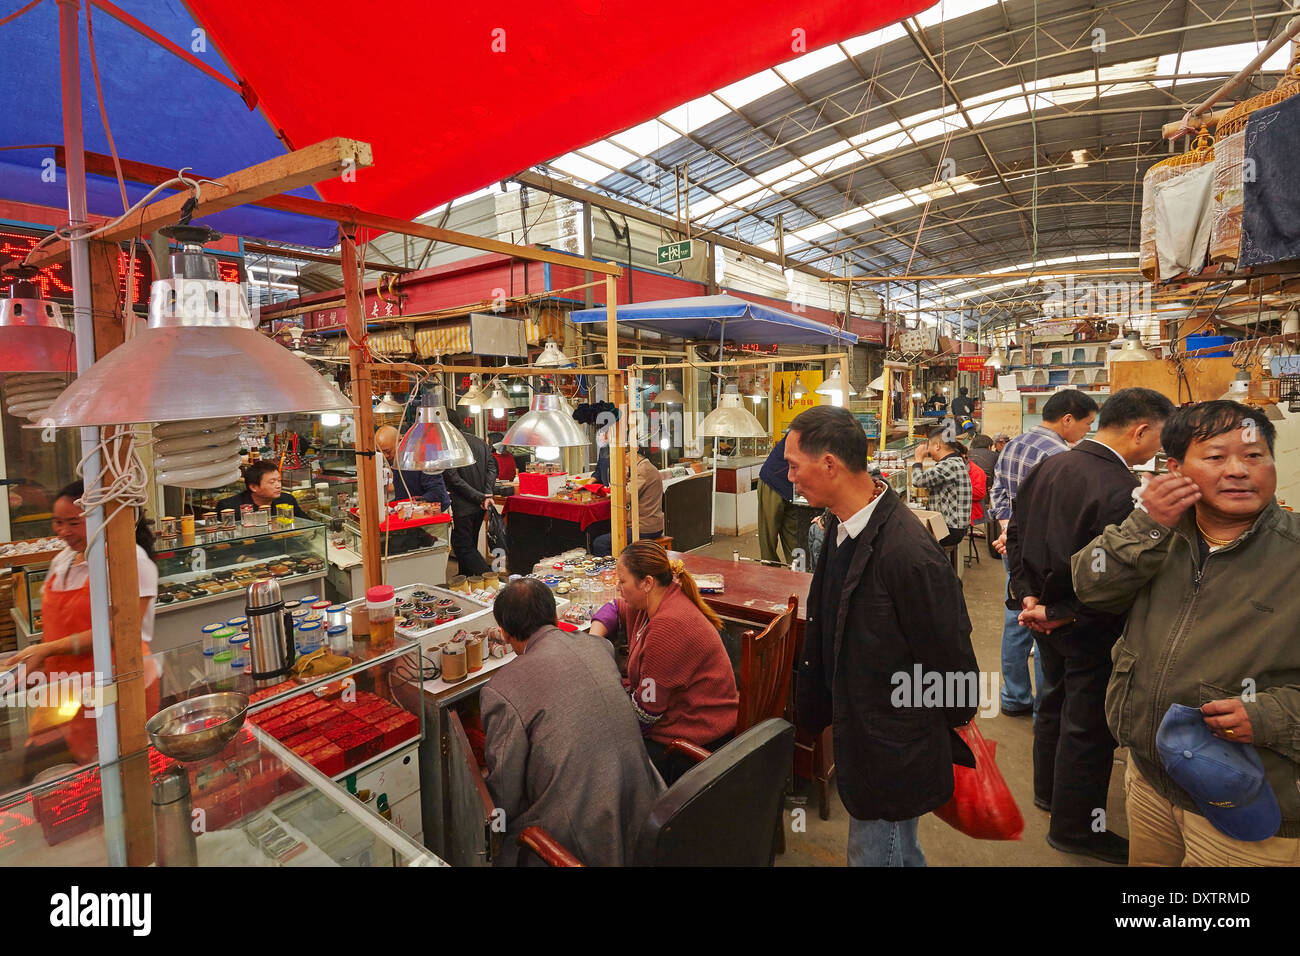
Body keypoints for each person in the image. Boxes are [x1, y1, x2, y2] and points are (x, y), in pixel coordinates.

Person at [1073, 401, 1300, 865]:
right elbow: (1090, 585)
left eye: (1254, 456)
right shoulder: (1161, 538)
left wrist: (1271, 717)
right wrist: (1146, 526)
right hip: (1151, 777)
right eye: (1216, 457)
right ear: (1173, 468)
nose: (1238, 471)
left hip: (1249, 795)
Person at [788, 406, 978, 867]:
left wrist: (939, 725)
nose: (789, 477)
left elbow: (950, 656)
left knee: (877, 853)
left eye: (795, 464)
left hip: (892, 743)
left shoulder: (908, 553)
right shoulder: (839, 524)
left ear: (829, 464)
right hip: (864, 731)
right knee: (890, 850)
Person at [1006, 387, 1173, 864]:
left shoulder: (1050, 465)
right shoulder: (1122, 490)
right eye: (1160, 438)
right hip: (1085, 623)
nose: (1160, 449)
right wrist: (1057, 610)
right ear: (1141, 430)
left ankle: (1049, 793)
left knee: (1053, 704)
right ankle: (1077, 828)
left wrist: (1028, 594)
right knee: (1089, 726)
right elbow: (1113, 576)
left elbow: (1015, 532)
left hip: (1045, 614)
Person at [481, 578, 664, 866]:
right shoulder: (599, 648)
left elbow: (506, 794)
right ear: (555, 617)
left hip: (581, 841)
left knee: (503, 840)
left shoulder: (501, 689)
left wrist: (493, 828)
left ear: (504, 634)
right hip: (646, 805)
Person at [1, 481, 160, 776]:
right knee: (52, 781)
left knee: (114, 779)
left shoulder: (130, 561)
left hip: (114, 683)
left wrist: (48, 649)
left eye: (73, 522)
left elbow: (120, 631)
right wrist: (31, 663)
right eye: (57, 522)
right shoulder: (62, 560)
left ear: (104, 518)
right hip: (63, 689)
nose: (62, 531)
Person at [991, 389, 1098, 716]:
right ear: (1067, 419)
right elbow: (1056, 516)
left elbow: (998, 495)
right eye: (1087, 424)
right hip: (1043, 556)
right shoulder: (1062, 456)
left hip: (1014, 550)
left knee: (1016, 619)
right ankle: (1044, 709)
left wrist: (1008, 533)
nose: (1086, 432)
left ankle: (1014, 697)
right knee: (1044, 626)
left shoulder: (1012, 445)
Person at [600, 541, 737, 785]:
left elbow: (646, 712)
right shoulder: (657, 599)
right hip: (690, 719)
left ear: (647, 583)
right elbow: (615, 608)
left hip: (694, 739)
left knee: (604, 756)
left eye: (622, 582)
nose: (618, 588)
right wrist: (594, 636)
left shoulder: (668, 626)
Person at [443, 420, 497, 576]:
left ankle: (489, 577)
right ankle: (466, 583)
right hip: (479, 507)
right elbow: (492, 468)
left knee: (462, 546)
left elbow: (453, 479)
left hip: (464, 507)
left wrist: (481, 496)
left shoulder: (450, 446)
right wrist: (486, 494)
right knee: (469, 545)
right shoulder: (478, 441)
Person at [910, 425, 973, 547]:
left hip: (949, 530)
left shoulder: (949, 465)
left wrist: (918, 460)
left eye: (929, 446)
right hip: (955, 527)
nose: (928, 451)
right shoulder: (955, 461)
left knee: (909, 537)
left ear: (937, 446)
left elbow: (918, 481)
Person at [592, 449, 663, 557]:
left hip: (644, 527)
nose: (623, 463)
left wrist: (623, 477)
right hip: (648, 523)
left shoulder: (642, 470)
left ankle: (617, 570)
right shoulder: (645, 466)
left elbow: (624, 498)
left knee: (600, 543)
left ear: (630, 455)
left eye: (623, 459)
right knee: (606, 532)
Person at [374, 425, 451, 511]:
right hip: (410, 512)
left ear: (400, 441)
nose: (385, 456)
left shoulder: (422, 456)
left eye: (387, 451)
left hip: (433, 513)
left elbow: (437, 493)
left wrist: (413, 503)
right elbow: (402, 495)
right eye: (380, 452)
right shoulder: (395, 462)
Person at [757, 434, 799, 564]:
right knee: (769, 536)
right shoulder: (807, 429)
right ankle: (770, 574)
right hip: (773, 482)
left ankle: (797, 573)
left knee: (794, 538)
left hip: (794, 489)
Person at [216, 461, 309, 519]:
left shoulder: (287, 500)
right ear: (253, 487)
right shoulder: (229, 508)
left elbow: (307, 524)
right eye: (272, 482)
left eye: (279, 481)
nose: (278, 486)